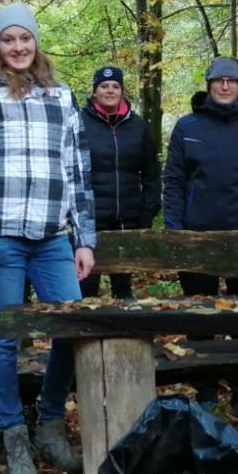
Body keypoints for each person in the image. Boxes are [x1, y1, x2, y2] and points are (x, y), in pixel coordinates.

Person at [0, 2, 95, 474]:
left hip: (53, 239)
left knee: (71, 329)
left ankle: (51, 422)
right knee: (3, 337)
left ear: (36, 42)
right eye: (8, 40)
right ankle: (13, 434)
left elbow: (77, 173)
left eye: (25, 39)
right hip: (2, 240)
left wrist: (84, 239)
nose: (18, 47)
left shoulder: (61, 95)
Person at [162, 57, 238, 418]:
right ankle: (205, 388)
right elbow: (174, 181)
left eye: (232, 80)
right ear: (209, 84)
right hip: (197, 236)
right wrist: (175, 228)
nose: (226, 86)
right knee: (201, 316)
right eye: (220, 80)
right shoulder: (187, 127)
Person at [79, 65, 160, 299]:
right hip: (90, 222)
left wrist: (147, 212)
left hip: (128, 220)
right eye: (104, 86)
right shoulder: (80, 123)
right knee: (87, 287)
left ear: (122, 91)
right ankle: (86, 334)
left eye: (115, 86)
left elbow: (152, 174)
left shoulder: (137, 126)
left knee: (123, 289)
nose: (110, 91)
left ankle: (124, 334)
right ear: (95, 91)